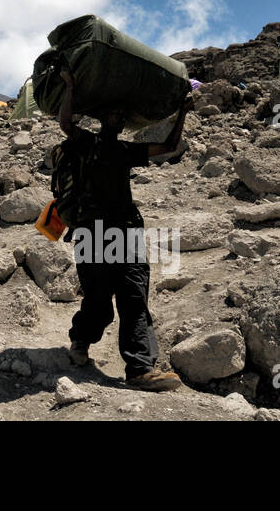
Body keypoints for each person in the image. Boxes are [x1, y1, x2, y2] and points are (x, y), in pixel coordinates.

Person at [57, 66, 193, 393]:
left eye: (122, 113)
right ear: (103, 117)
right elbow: (65, 123)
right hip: (91, 233)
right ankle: (80, 340)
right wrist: (70, 87)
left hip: (128, 233)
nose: (118, 116)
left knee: (134, 297)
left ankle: (140, 369)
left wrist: (182, 113)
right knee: (99, 304)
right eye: (112, 112)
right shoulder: (87, 142)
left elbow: (170, 146)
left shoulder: (126, 151)